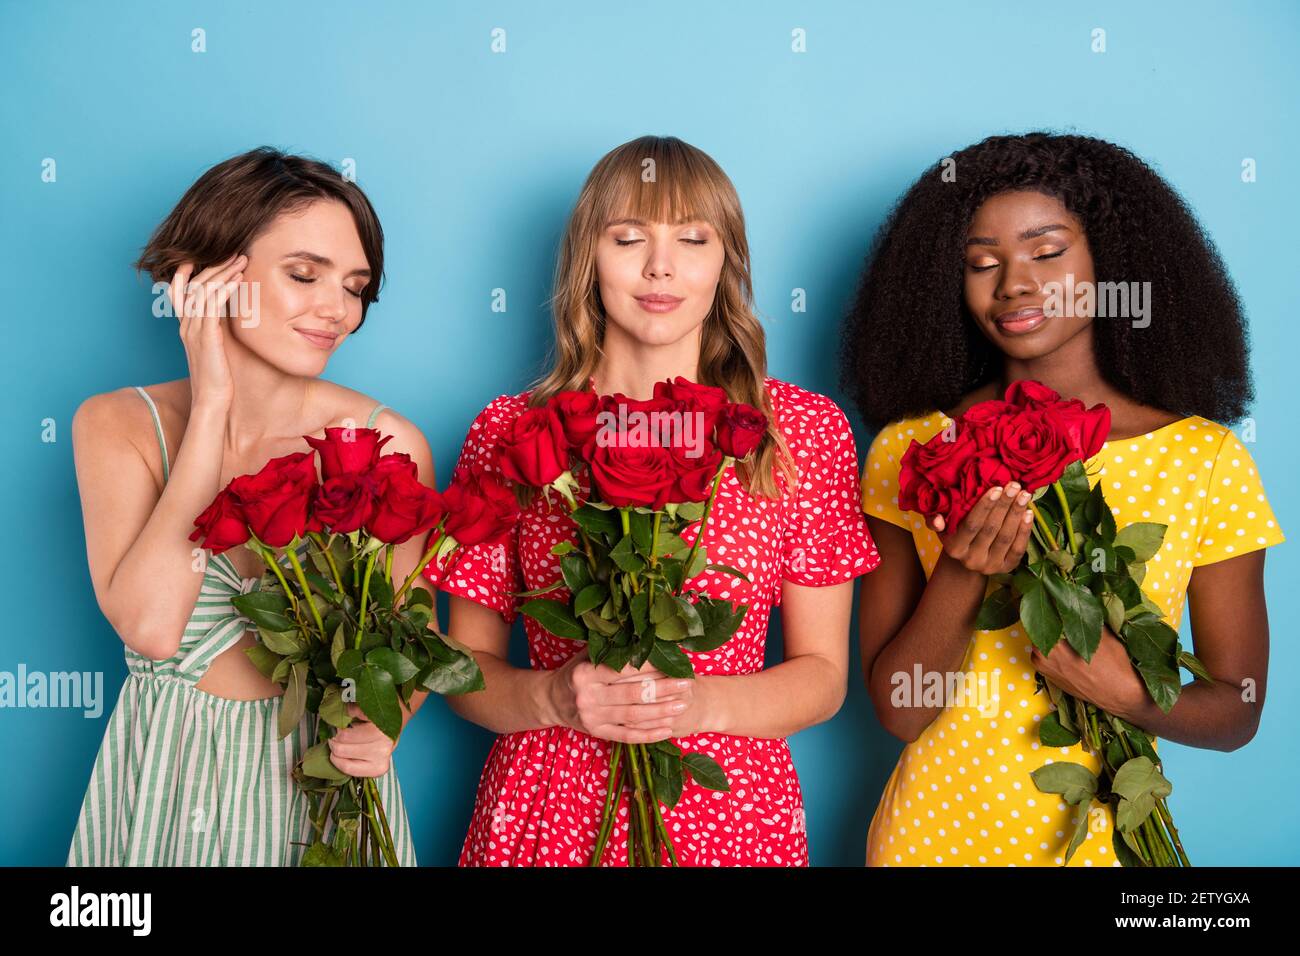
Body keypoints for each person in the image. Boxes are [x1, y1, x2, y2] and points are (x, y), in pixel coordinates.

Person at [429, 135, 881, 866]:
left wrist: (699, 704)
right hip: (549, 806)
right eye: (629, 237)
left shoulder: (800, 432)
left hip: (730, 812)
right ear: (589, 258)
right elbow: (463, 667)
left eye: (692, 239)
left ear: (725, 263)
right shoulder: (511, 432)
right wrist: (555, 698)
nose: (659, 265)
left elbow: (823, 678)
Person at [841, 132, 1284, 866]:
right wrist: (963, 568)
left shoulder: (1205, 459)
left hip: (1106, 850)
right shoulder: (910, 451)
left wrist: (1132, 696)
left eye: (1047, 254)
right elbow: (899, 710)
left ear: (1110, 262)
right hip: (929, 842)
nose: (1014, 283)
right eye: (982, 264)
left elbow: (1239, 711)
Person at [68, 147, 430, 865]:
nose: (337, 309)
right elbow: (150, 627)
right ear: (209, 277)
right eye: (303, 275)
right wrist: (212, 411)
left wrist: (385, 726)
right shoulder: (115, 425)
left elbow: (408, 644)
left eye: (355, 286)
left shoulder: (384, 442)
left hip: (319, 790)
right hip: (163, 787)